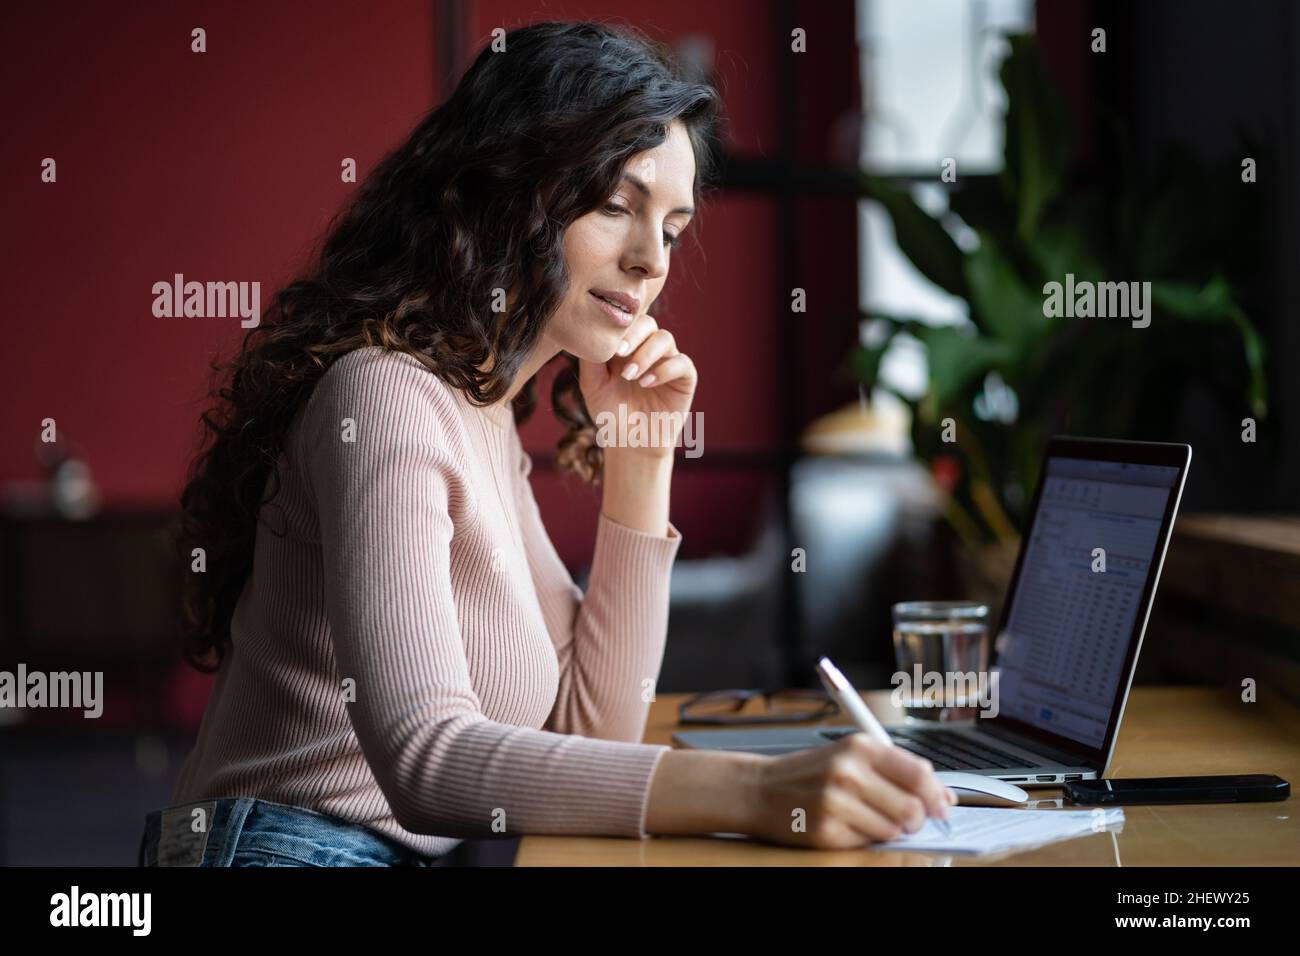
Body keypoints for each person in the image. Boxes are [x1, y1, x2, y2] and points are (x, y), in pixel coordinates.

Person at [138, 19, 952, 868]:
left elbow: (592, 729)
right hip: (277, 851)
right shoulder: (383, 393)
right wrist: (755, 792)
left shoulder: (482, 411)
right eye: (614, 206)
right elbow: (424, 760)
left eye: (671, 230)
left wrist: (641, 458)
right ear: (504, 192)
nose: (650, 262)